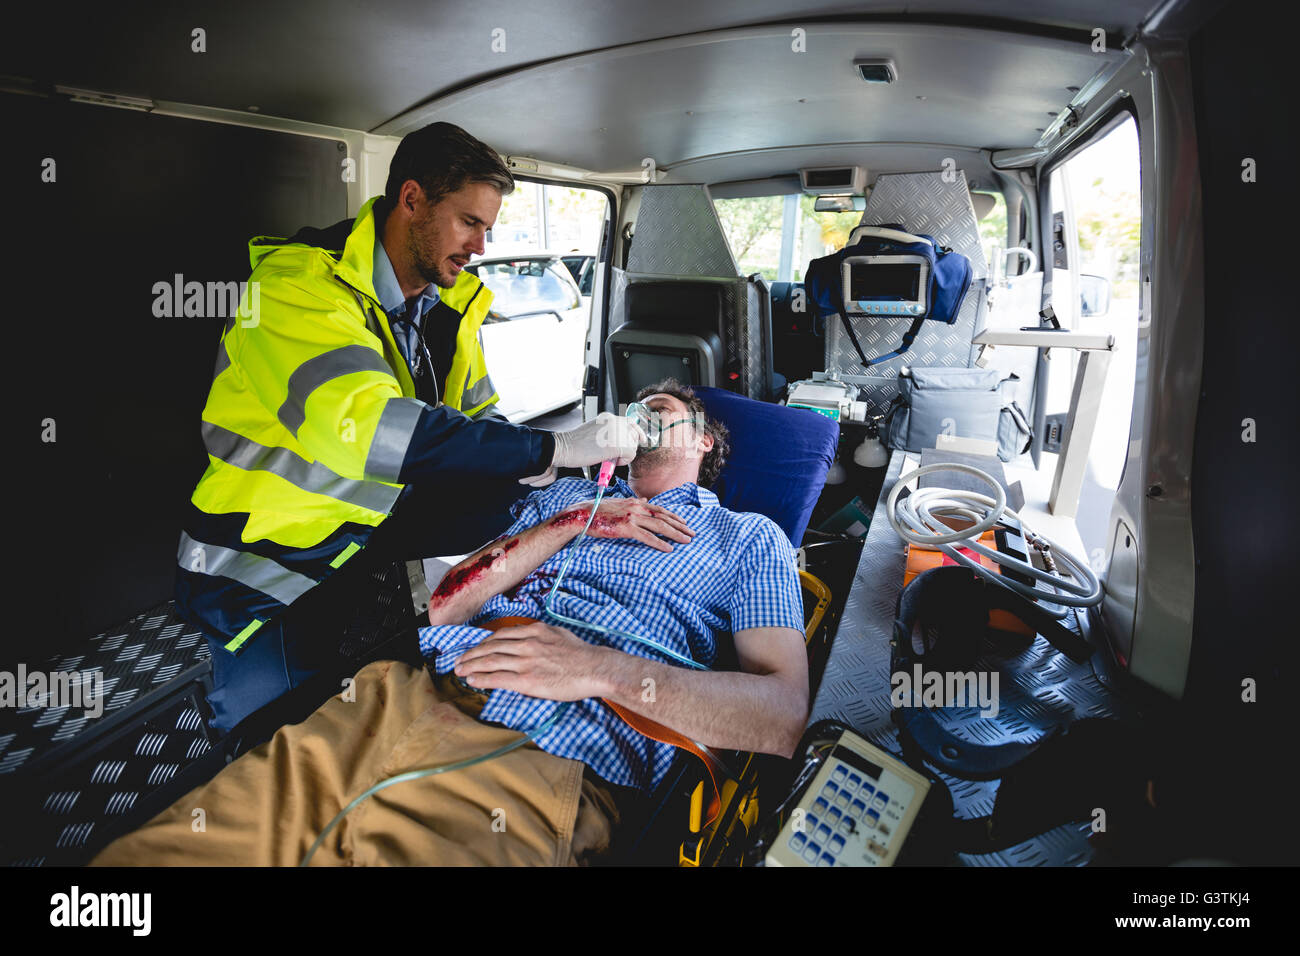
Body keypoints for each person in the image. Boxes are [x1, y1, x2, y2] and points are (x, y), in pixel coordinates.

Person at [91, 381, 809, 866]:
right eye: (637, 410)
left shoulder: (749, 540)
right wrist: (567, 521)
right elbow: (445, 608)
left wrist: (596, 668)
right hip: (393, 699)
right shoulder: (558, 506)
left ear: (707, 442)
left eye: (665, 411)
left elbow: (780, 716)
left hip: (549, 755)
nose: (647, 420)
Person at [178, 121, 643, 735]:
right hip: (264, 562)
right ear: (412, 199)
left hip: (361, 544)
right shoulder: (296, 291)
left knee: (369, 716)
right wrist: (549, 444)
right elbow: (369, 429)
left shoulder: (448, 304)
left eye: (489, 228)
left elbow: (478, 418)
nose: (481, 246)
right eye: (470, 222)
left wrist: (543, 466)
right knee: (277, 739)